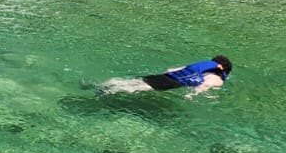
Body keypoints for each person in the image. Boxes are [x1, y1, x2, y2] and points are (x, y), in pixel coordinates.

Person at [99, 56, 233, 98]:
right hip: (173, 82)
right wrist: (192, 95)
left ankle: (101, 84)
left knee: (133, 81)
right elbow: (205, 85)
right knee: (136, 88)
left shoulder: (202, 66)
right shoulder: (218, 78)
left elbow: (170, 69)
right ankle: (107, 92)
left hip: (168, 75)